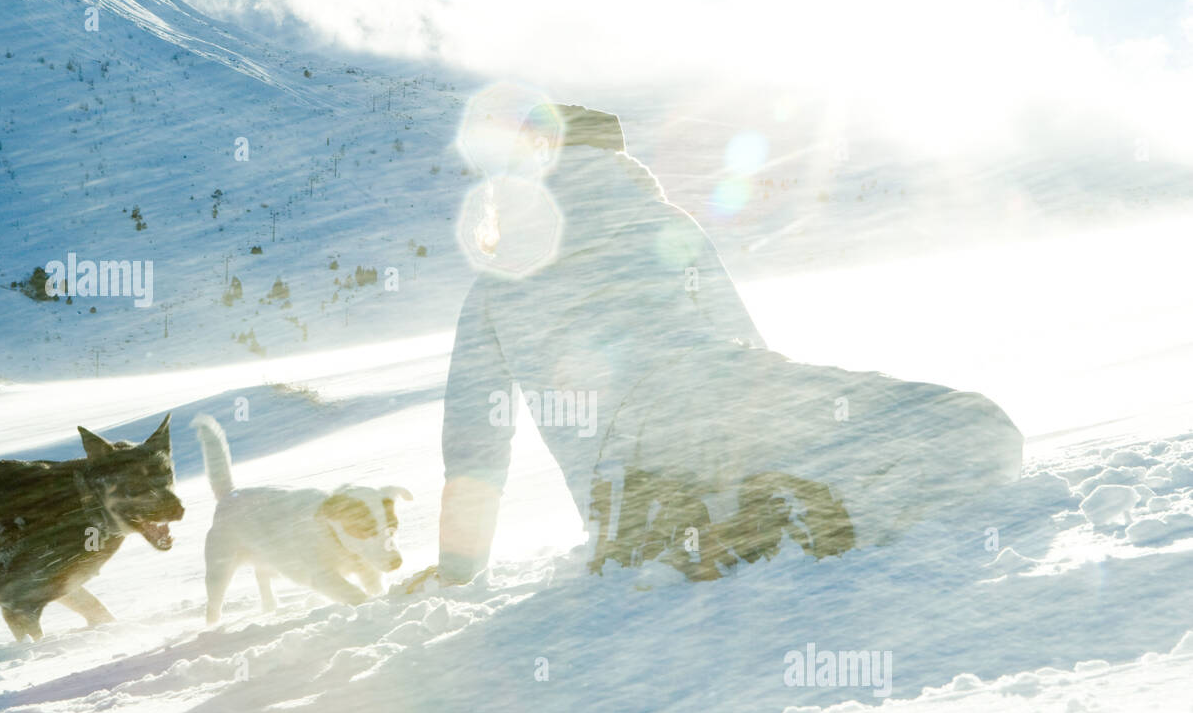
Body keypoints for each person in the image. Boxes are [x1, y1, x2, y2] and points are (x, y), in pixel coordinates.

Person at [405, 104, 1022, 590]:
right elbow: (748, 348)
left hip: (625, 485)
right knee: (979, 431)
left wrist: (458, 572)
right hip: (731, 396)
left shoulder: (495, 289)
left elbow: (475, 456)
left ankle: (728, 525)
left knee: (719, 485)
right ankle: (770, 517)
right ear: (618, 159)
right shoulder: (667, 225)